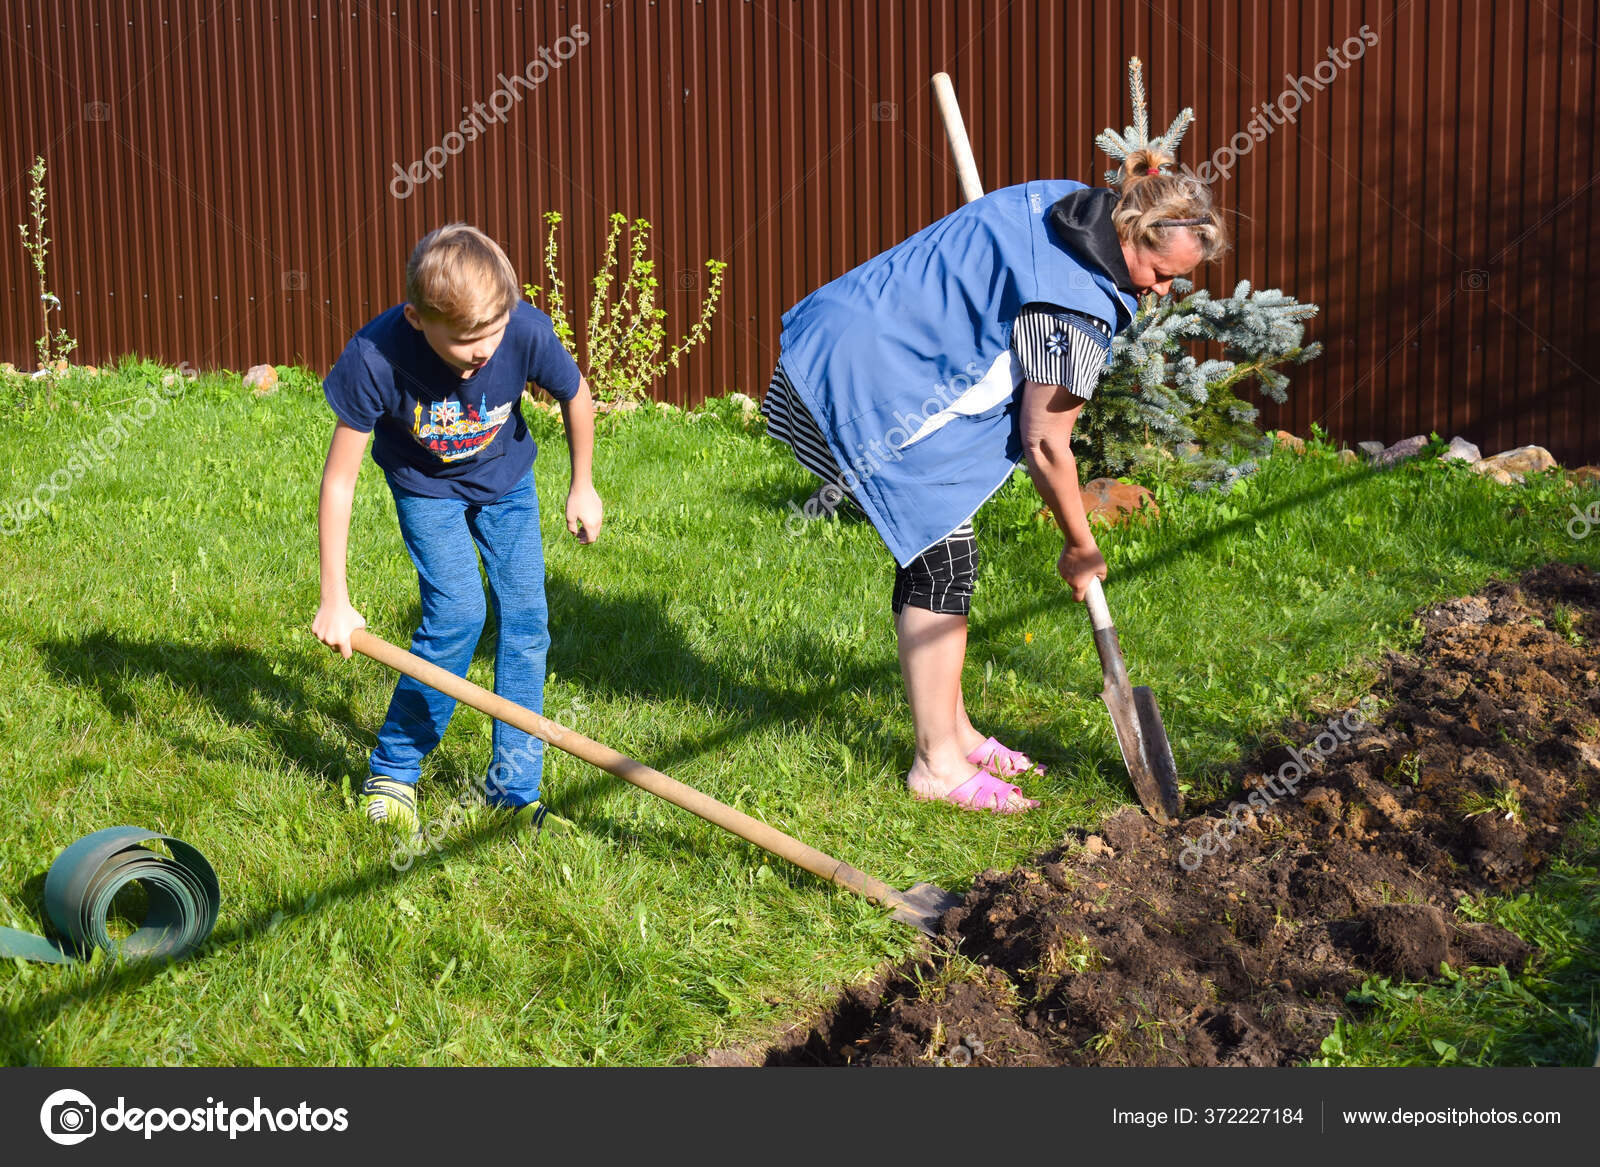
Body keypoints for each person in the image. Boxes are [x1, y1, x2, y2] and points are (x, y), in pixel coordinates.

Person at [764, 146, 1227, 813]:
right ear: (1131, 232)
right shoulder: (1077, 307)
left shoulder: (1061, 201)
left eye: (1171, 282)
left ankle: (955, 730)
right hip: (864, 393)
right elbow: (1046, 443)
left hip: (842, 335)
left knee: (944, 552)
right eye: (1158, 273)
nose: (1157, 291)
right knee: (943, 563)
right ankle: (937, 765)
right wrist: (1079, 542)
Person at [312, 222, 603, 835]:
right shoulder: (377, 356)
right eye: (468, 339)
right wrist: (335, 598)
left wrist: (583, 484)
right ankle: (395, 770)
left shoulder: (522, 329)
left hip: (506, 481)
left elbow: (576, 394)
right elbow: (339, 480)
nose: (486, 350)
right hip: (425, 486)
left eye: (494, 331)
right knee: (457, 616)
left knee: (526, 619)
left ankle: (514, 786)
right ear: (418, 319)